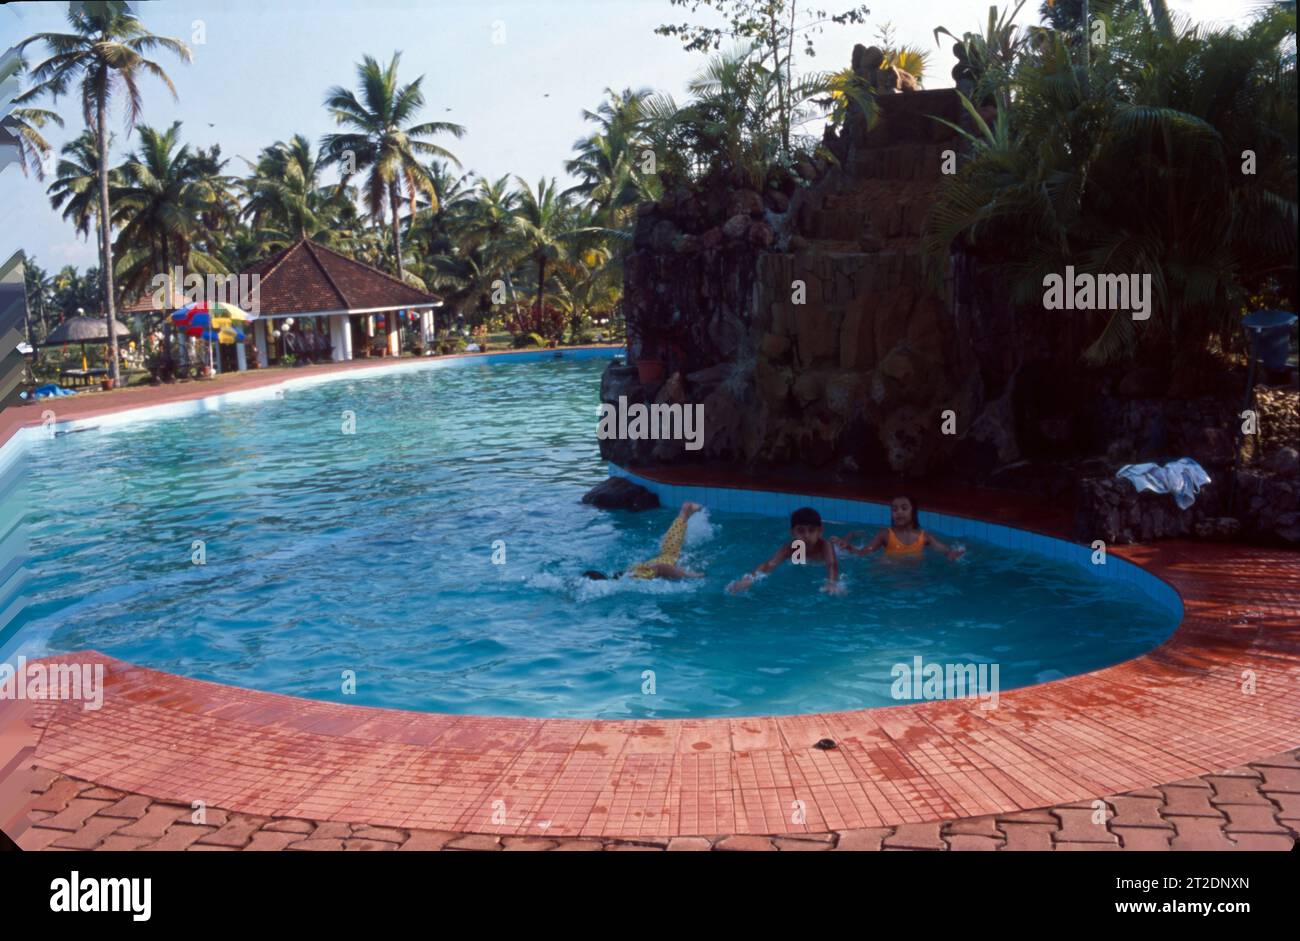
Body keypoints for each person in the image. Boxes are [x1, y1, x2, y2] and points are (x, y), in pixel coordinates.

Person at [727, 506, 843, 594]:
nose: (806, 535)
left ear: (820, 532)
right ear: (792, 533)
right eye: (801, 531)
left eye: (811, 530)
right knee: (798, 562)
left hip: (835, 556)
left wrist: (832, 582)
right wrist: (750, 579)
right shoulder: (792, 548)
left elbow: (832, 564)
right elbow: (770, 564)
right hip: (803, 561)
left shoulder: (825, 545)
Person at [584, 501, 705, 581]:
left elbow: (661, 567)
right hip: (643, 565)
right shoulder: (621, 578)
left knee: (670, 553)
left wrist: (689, 576)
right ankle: (684, 513)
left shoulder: (632, 579)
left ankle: (684, 512)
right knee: (668, 550)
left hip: (658, 564)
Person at [831, 495, 966, 560]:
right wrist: (847, 547)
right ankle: (852, 534)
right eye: (894, 509)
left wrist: (952, 554)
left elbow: (942, 549)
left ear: (913, 512)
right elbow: (864, 552)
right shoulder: (885, 534)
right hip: (886, 574)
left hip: (913, 577)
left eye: (904, 508)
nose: (899, 512)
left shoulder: (924, 537)